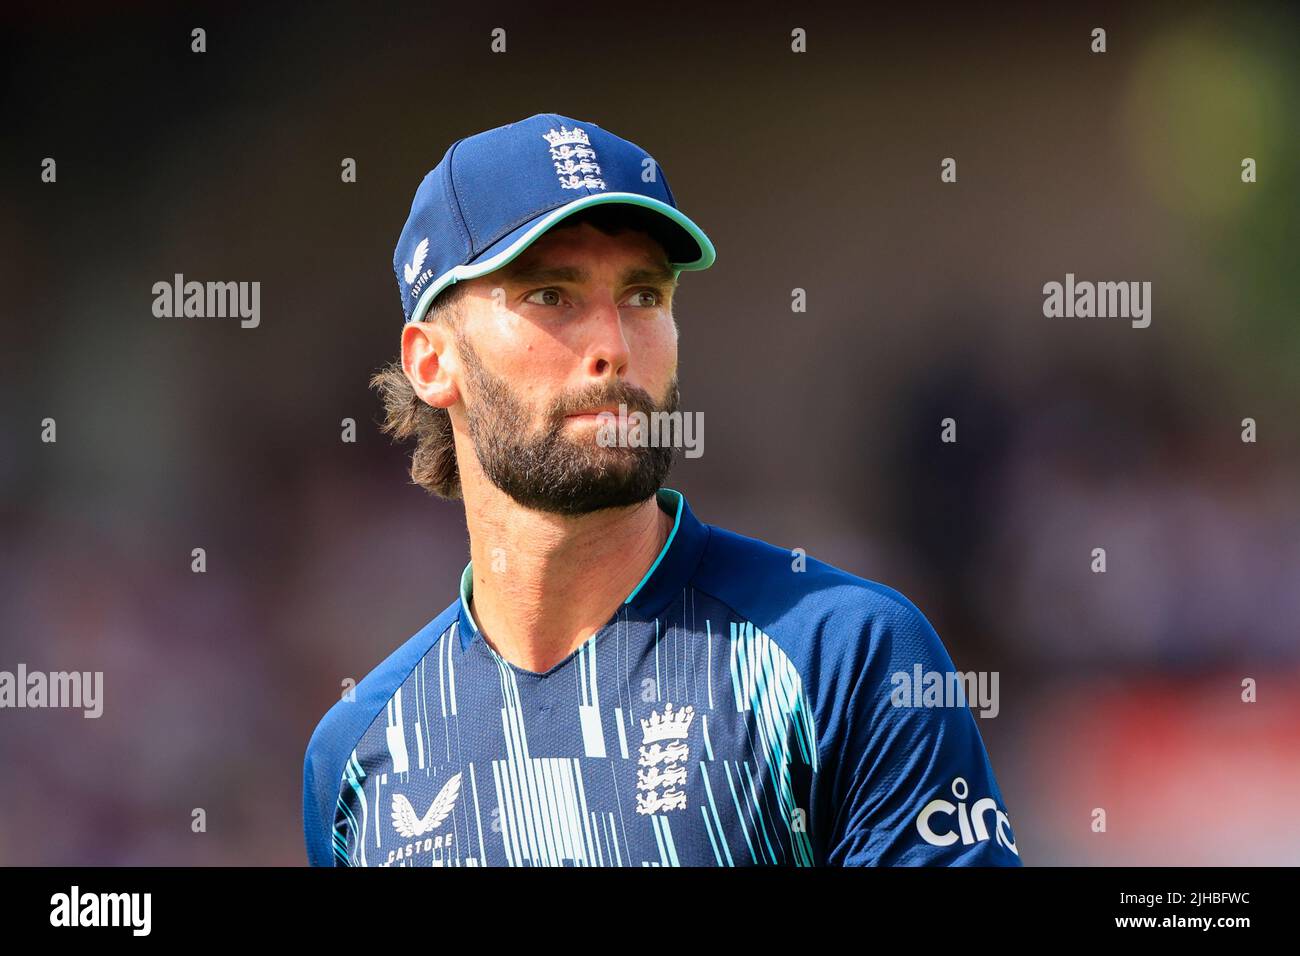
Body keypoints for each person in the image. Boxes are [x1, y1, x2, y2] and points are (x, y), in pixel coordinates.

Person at [302, 112, 1021, 867]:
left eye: (644, 295)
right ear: (430, 361)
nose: (614, 347)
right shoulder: (358, 754)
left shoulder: (845, 655)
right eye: (551, 295)